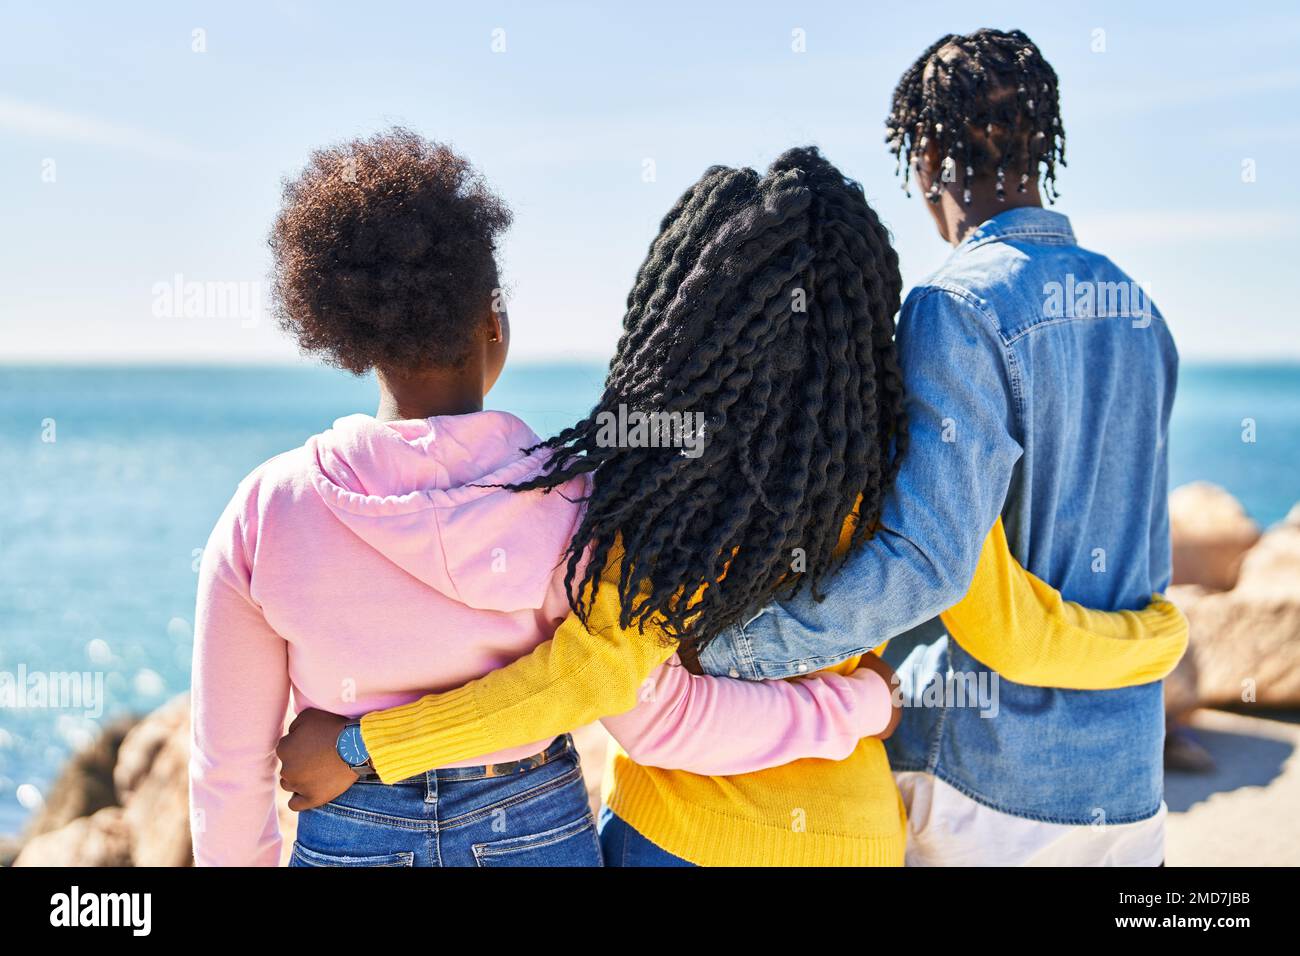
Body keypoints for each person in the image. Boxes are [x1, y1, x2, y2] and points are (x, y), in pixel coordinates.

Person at [276, 145, 1186, 866]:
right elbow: (993, 614)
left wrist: (366, 749)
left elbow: (583, 682)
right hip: (858, 839)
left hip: (681, 842)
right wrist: (1159, 637)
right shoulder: (888, 470)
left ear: (681, 318)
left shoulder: (659, 491)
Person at [188, 131, 900, 868]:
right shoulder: (577, 503)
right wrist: (858, 706)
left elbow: (228, 771)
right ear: (493, 323)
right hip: (529, 828)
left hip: (350, 831)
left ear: (352, 335)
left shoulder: (270, 510)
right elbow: (664, 723)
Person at [691, 29, 1181, 866]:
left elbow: (928, 560)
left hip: (989, 779)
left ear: (924, 155)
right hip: (1129, 771)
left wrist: (735, 650)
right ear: (1040, 142)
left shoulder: (953, 309)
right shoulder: (1137, 307)